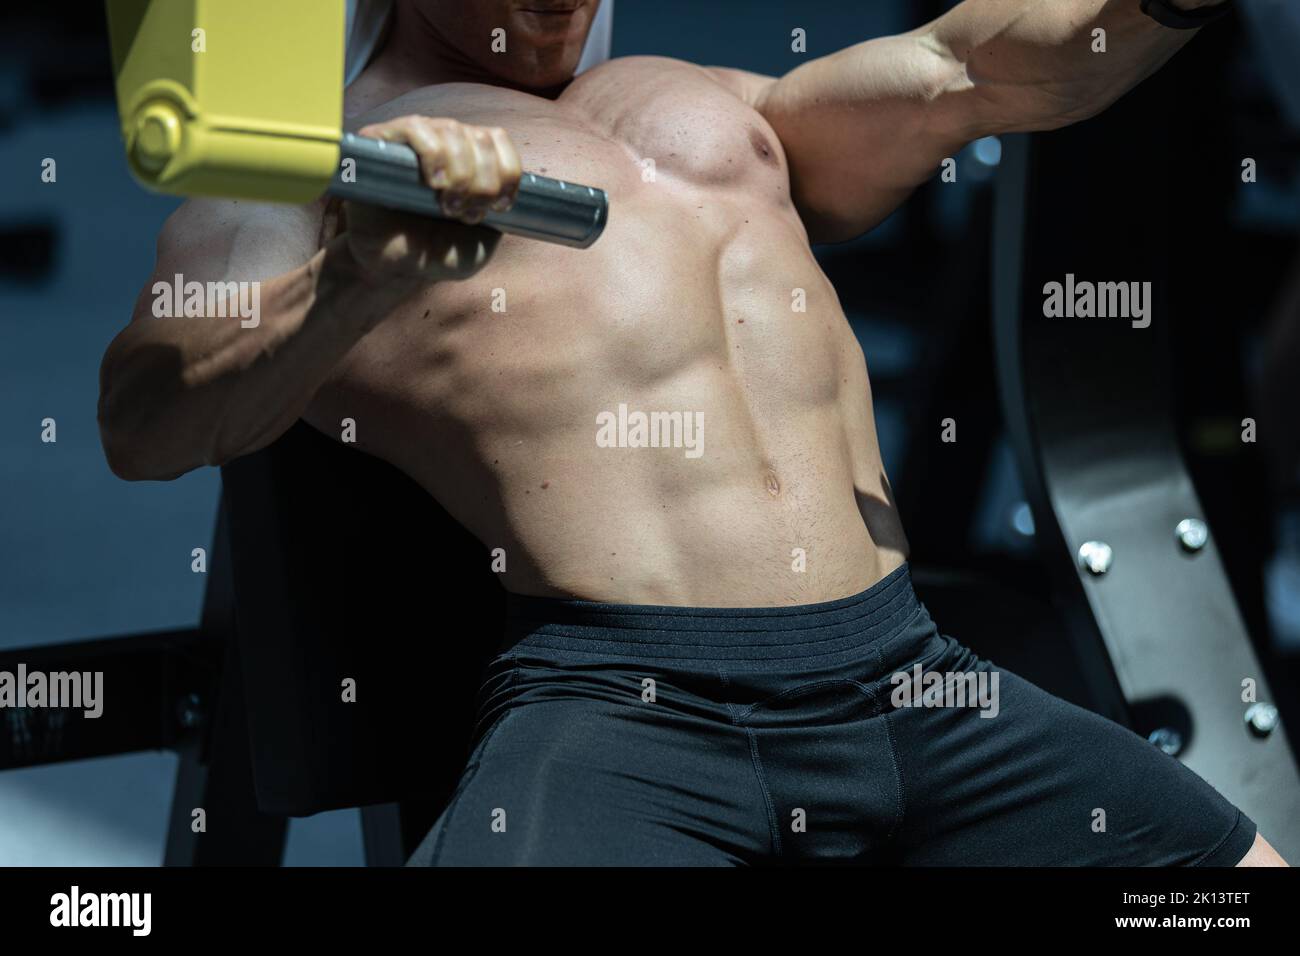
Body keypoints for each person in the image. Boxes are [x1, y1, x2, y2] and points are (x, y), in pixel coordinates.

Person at [97, 0, 1288, 865]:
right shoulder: (329, 167)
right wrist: (350, 283)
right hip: (631, 716)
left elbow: (972, 65)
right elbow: (146, 419)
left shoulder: (715, 106)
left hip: (914, 684)